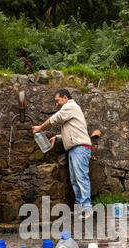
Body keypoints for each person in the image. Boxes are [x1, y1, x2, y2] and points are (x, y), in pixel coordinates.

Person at [32, 89, 93, 219]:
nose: (57, 104)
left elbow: (56, 118)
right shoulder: (71, 109)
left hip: (80, 148)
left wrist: (40, 128)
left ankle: (87, 208)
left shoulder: (70, 106)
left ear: (65, 98)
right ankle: (79, 208)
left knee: (81, 177)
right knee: (75, 180)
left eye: (57, 100)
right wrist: (58, 137)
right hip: (75, 148)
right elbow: (73, 130)